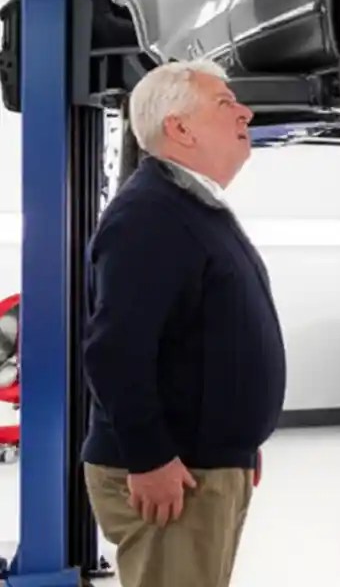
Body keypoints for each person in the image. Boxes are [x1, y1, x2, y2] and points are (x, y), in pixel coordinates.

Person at [80, 60, 286, 587]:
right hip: (173, 471)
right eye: (225, 103)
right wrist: (148, 458)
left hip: (206, 460)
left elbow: (206, 336)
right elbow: (115, 351)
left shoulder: (190, 207)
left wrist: (238, 441)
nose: (246, 111)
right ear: (180, 127)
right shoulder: (149, 214)